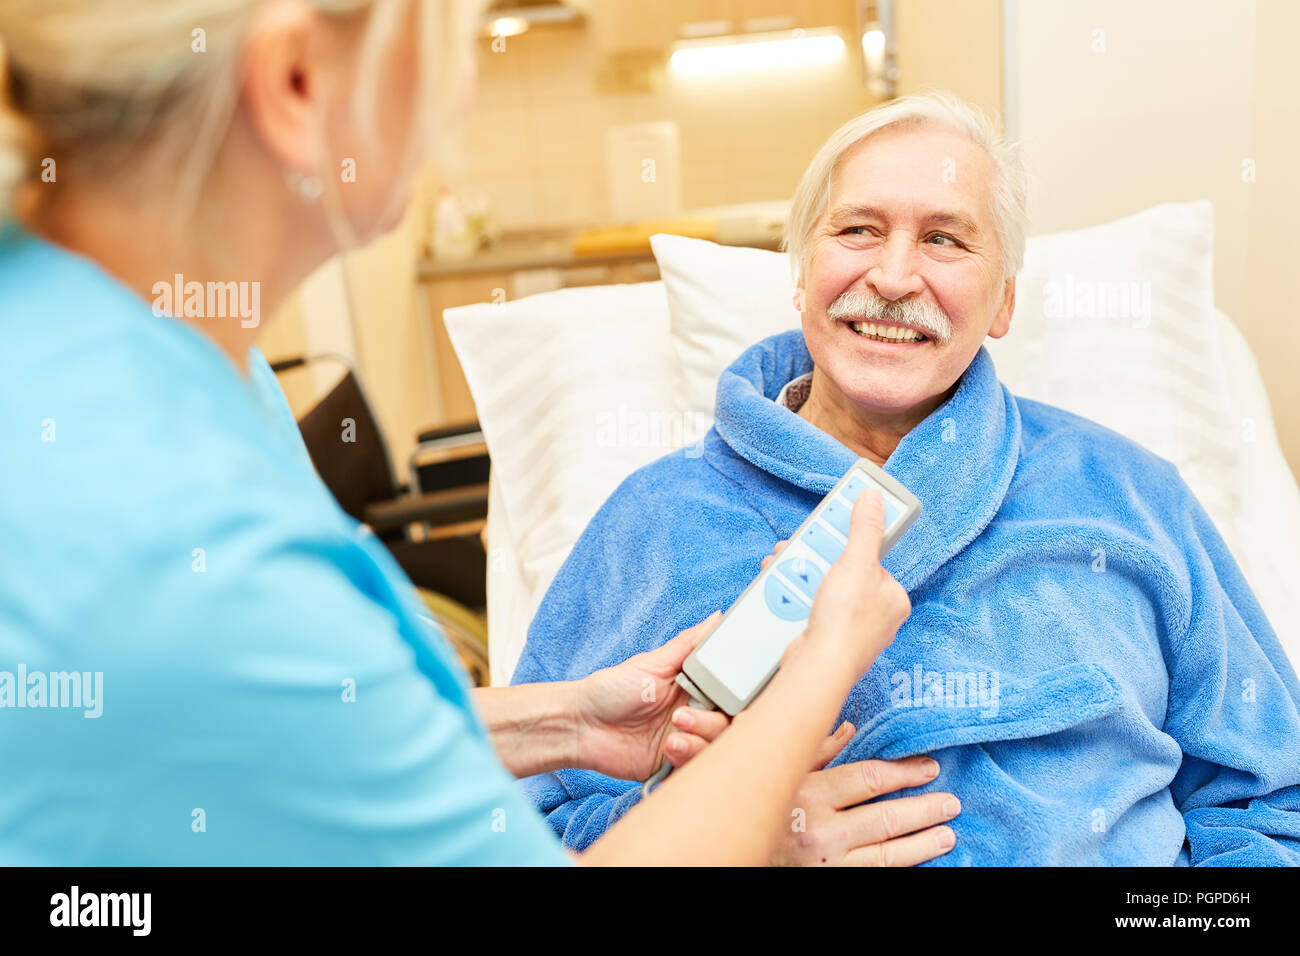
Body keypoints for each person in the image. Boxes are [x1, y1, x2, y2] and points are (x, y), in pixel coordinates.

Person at [0, 0, 914, 866]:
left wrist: (564, 724)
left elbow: (260, 725)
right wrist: (814, 672)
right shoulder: (193, 546)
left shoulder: (144, 360)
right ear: (298, 86)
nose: (465, 95)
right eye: (453, 46)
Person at [513, 92, 1300, 865]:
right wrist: (728, 834)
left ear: (1004, 302)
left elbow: (1272, 804)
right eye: (857, 230)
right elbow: (520, 830)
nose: (893, 276)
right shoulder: (655, 519)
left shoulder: (1129, 498)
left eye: (945, 240)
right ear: (801, 272)